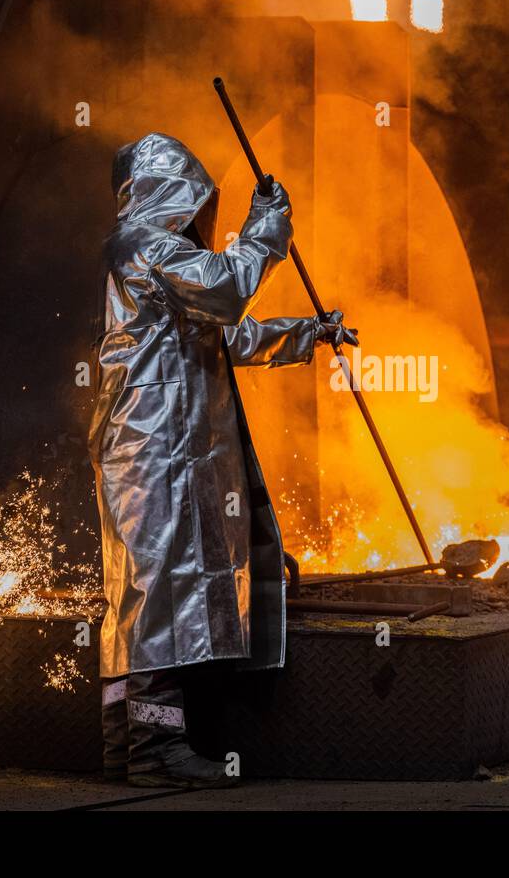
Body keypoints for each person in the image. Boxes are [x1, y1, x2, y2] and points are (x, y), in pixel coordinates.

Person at [89, 133, 356, 789]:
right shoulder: (143, 247)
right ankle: (154, 748)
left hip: (153, 448)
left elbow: (226, 331)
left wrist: (308, 333)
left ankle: (127, 746)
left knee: (143, 596)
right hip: (150, 450)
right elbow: (230, 286)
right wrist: (266, 228)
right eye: (196, 202)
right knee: (154, 598)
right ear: (170, 193)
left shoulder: (154, 258)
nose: (201, 218)